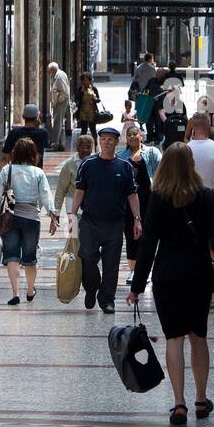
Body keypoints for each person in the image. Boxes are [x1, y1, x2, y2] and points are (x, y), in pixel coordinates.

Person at [128, 142, 214, 427]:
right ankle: (201, 398)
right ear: (191, 165)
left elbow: (148, 245)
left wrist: (137, 286)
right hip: (199, 277)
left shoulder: (158, 199)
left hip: (167, 277)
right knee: (198, 335)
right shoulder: (210, 198)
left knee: (173, 338)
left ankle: (179, 404)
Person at [71, 126, 140, 313]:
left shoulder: (125, 166)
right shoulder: (88, 164)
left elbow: (132, 195)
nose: (107, 142)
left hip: (115, 224)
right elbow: (79, 191)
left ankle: (107, 300)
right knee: (87, 258)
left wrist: (137, 219)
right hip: (90, 221)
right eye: (103, 139)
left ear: (117, 142)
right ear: (99, 141)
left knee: (111, 264)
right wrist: (72, 215)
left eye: (111, 139)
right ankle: (92, 288)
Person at [0, 137, 57, 304]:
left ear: (15, 152)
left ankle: (15, 294)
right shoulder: (38, 173)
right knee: (29, 257)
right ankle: (30, 289)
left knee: (12, 255)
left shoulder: (7, 170)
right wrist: (52, 215)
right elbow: (46, 195)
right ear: (33, 154)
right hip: (31, 219)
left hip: (9, 218)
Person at [117, 122, 161, 278]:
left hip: (149, 201)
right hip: (128, 203)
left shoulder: (152, 152)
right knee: (131, 236)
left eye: (135, 134)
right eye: (129, 135)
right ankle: (133, 271)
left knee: (148, 236)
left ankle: (146, 271)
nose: (132, 137)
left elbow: (161, 171)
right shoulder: (121, 157)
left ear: (141, 136)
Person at [53, 134, 96, 217]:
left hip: (92, 205)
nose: (86, 150)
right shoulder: (69, 164)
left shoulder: (97, 162)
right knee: (75, 229)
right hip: (72, 204)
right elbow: (61, 188)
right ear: (77, 148)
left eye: (88, 147)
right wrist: (57, 210)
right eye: (83, 146)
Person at [48, 61, 72, 149]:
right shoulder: (59, 74)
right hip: (60, 101)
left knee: (58, 121)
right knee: (59, 121)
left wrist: (58, 100)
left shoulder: (59, 76)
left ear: (52, 70)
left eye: (49, 70)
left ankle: (55, 142)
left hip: (61, 102)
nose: (49, 72)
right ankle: (60, 142)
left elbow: (64, 92)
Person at [76, 73, 101, 139]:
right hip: (82, 112)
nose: (85, 82)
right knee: (83, 130)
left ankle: (95, 145)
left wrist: (95, 99)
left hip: (92, 112)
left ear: (90, 81)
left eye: (87, 80)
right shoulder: (80, 89)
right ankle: (82, 144)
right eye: (84, 80)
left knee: (93, 130)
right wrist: (81, 92)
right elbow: (77, 99)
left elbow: (98, 100)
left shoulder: (93, 89)